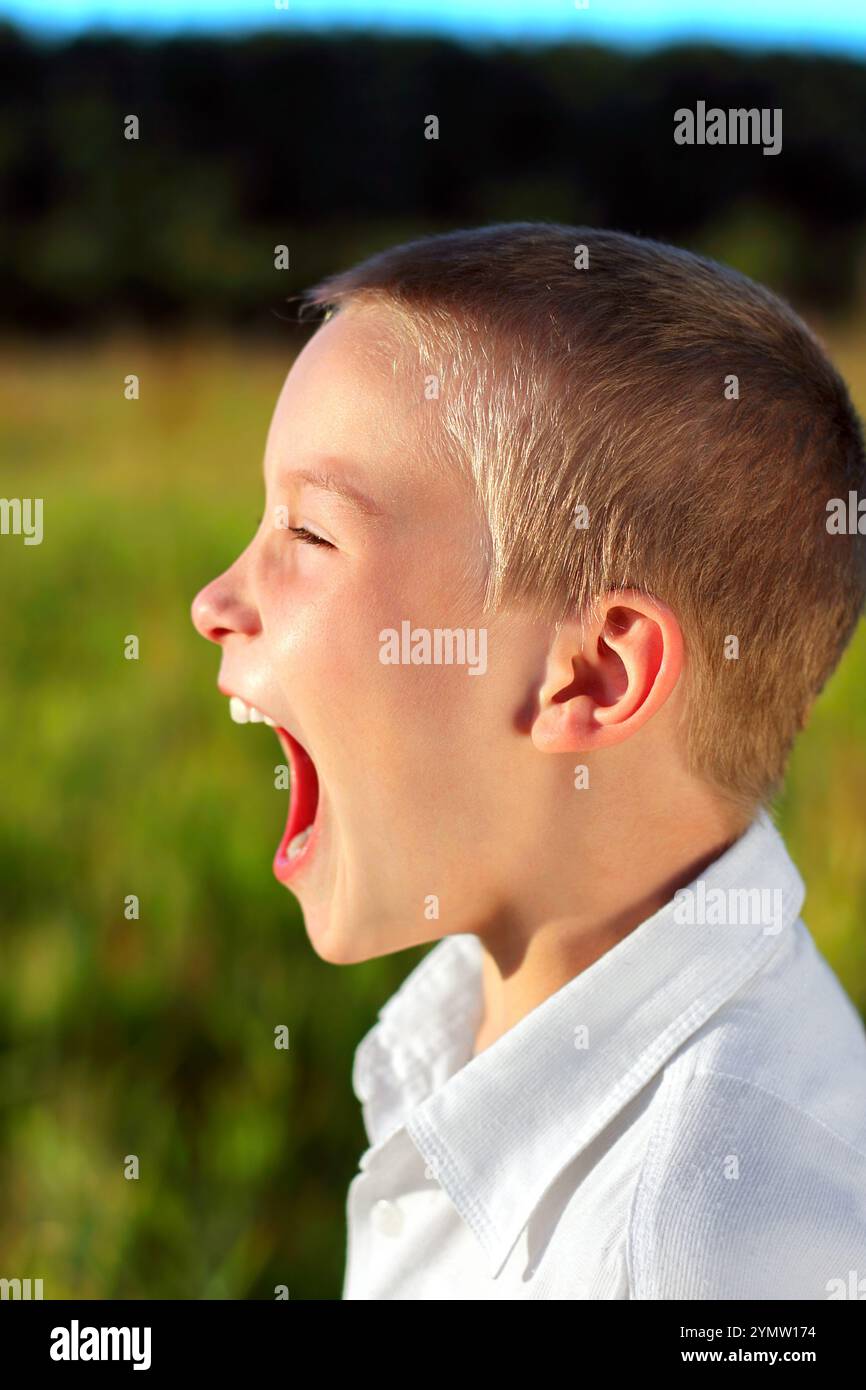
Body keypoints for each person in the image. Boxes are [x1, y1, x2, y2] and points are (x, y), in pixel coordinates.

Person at [191, 223, 866, 1299]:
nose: (213, 601)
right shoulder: (480, 1023)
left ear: (593, 674)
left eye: (310, 535)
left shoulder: (704, 1254)